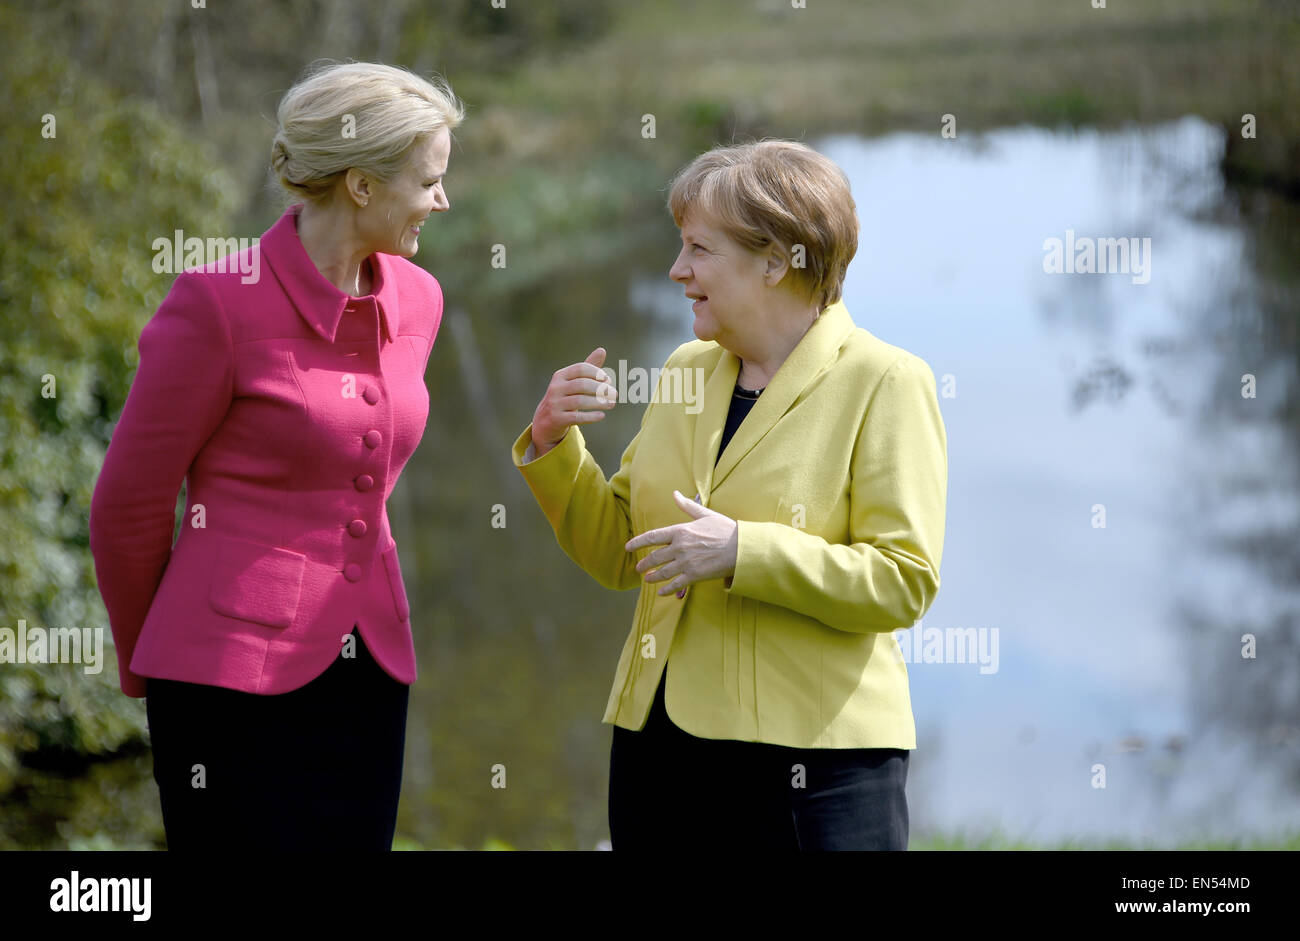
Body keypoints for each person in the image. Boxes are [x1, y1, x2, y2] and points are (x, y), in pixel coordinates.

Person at [511, 139, 947, 850]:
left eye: (698, 250)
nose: (678, 271)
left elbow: (902, 579)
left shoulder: (886, 381)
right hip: (659, 755)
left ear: (775, 261)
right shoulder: (686, 370)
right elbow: (621, 553)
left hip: (815, 766)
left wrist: (743, 551)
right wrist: (556, 443)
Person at [88, 61, 464, 851]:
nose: (442, 200)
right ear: (361, 184)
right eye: (429, 180)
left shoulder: (420, 298)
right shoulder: (216, 302)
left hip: (372, 666)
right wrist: (147, 660)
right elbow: (128, 505)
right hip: (225, 681)